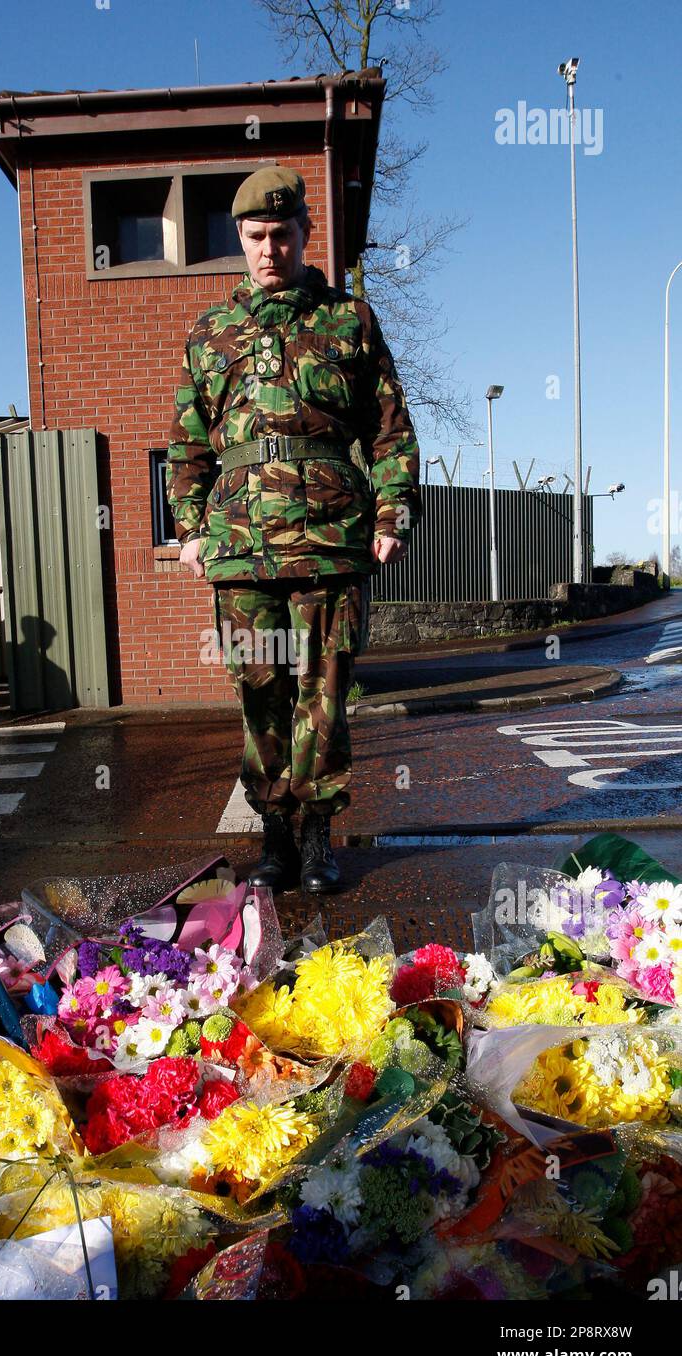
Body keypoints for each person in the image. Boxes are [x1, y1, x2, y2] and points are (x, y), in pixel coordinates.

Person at [165, 166, 422, 892]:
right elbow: (186, 446)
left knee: (324, 695)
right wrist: (189, 531)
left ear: (306, 235)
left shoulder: (350, 321)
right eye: (255, 236)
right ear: (239, 240)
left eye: (283, 234)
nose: (269, 248)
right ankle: (274, 836)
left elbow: (390, 431)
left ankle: (317, 840)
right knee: (261, 693)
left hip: (332, 543)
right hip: (241, 549)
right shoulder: (211, 333)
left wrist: (392, 513)